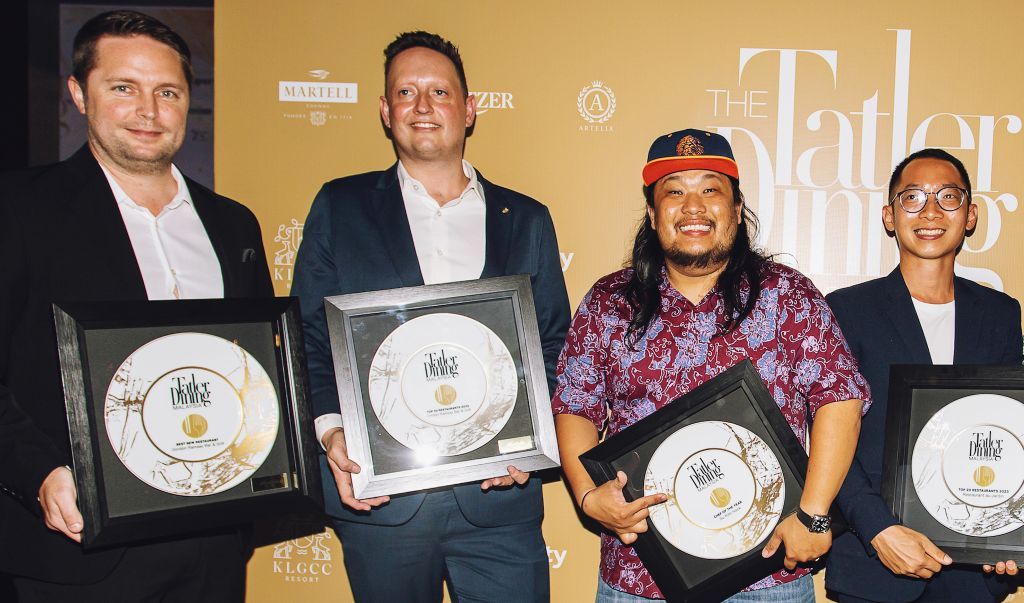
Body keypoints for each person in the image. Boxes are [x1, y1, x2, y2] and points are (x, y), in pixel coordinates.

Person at [0, 10, 272, 602]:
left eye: (167, 92)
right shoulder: (19, 210)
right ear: (79, 94)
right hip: (78, 549)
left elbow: (256, 372)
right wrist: (39, 473)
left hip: (212, 539)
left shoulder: (233, 224)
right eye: (123, 87)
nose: (149, 111)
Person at [291, 31, 570, 602]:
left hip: (499, 502)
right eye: (406, 92)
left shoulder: (527, 219)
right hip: (383, 503)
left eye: (440, 92)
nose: (422, 106)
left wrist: (531, 440)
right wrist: (331, 430)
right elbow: (309, 336)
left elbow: (551, 343)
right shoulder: (339, 207)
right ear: (384, 110)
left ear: (468, 111)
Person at [552, 129, 869, 601]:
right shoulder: (608, 302)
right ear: (653, 213)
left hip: (766, 576)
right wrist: (587, 494)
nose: (693, 206)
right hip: (642, 576)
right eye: (674, 191)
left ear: (737, 211)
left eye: (710, 190)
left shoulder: (788, 296)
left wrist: (813, 513)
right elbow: (576, 404)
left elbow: (839, 399)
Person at [824, 148, 1021, 602]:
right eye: (912, 197)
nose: (930, 211)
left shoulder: (1001, 314)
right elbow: (827, 436)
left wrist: (1011, 529)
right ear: (889, 216)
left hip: (973, 573)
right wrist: (878, 529)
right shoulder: (846, 311)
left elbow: (1007, 430)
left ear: (970, 215)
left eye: (947, 197)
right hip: (874, 567)